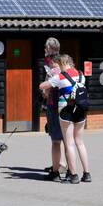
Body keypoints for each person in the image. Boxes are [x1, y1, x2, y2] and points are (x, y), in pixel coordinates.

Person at [53, 54, 91, 184]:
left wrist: (52, 76)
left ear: (62, 63)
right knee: (80, 142)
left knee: (69, 143)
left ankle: (73, 175)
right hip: (81, 110)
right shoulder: (81, 75)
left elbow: (43, 86)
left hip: (66, 110)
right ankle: (87, 174)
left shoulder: (60, 77)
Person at [38, 38, 66, 180]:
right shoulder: (63, 61)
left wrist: (45, 92)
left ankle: (58, 166)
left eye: (45, 47)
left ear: (50, 48)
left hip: (54, 103)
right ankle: (59, 163)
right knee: (61, 137)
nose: (44, 49)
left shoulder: (53, 63)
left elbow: (51, 84)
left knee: (56, 138)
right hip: (61, 103)